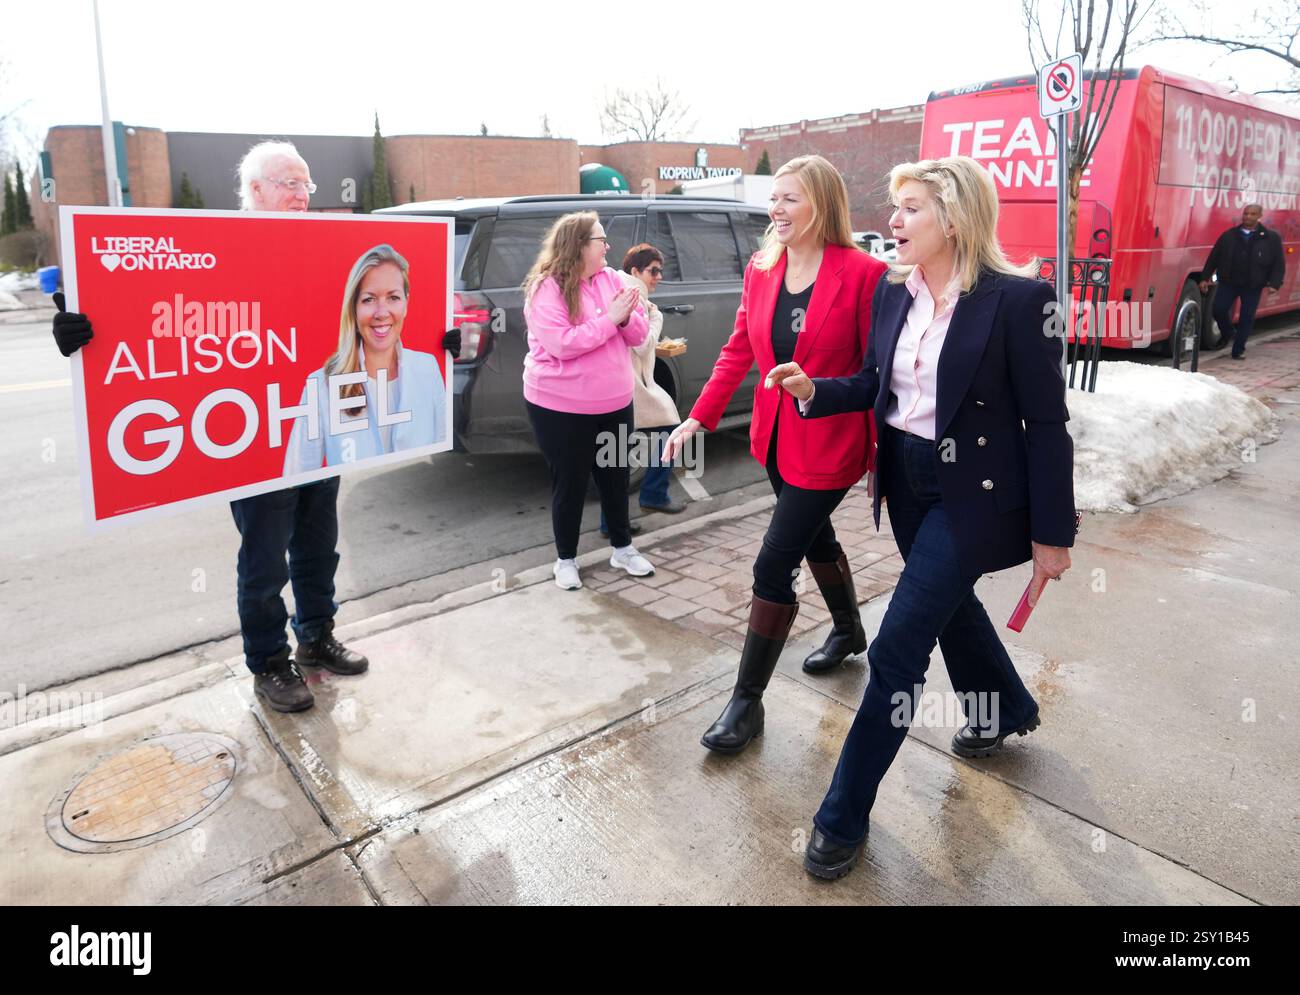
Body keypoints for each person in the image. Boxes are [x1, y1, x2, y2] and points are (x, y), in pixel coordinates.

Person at [52, 141, 458, 713]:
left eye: (306, 185)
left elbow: (376, 318)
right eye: (289, 183)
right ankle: (269, 660)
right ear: (256, 191)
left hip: (320, 427)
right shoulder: (217, 247)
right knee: (264, 558)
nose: (301, 195)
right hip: (257, 444)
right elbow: (162, 318)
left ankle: (316, 635)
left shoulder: (323, 251)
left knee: (319, 545)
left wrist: (437, 345)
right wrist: (82, 325)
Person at [767, 155, 1077, 880]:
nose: (894, 221)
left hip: (970, 494)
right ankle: (999, 708)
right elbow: (881, 383)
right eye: (895, 206)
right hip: (904, 482)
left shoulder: (1017, 300)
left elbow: (1047, 423)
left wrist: (1052, 535)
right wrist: (820, 389)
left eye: (910, 208)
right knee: (948, 605)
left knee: (898, 645)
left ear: (955, 217)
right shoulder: (894, 295)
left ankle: (841, 815)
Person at [662, 155, 888, 755]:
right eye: (775, 199)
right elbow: (739, 350)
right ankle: (848, 629)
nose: (776, 210)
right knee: (813, 539)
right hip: (775, 440)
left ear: (822, 205)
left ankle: (746, 703)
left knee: (772, 564)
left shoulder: (864, 274)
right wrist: (699, 416)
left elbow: (875, 371)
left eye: (790, 199)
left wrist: (841, 410)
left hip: (832, 442)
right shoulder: (762, 269)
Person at [522, 211, 656, 590]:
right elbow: (562, 344)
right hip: (559, 407)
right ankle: (565, 560)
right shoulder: (546, 288)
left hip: (614, 402)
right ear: (579, 246)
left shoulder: (614, 278)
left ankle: (623, 549)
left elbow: (640, 335)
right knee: (572, 482)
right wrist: (612, 319)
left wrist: (625, 319)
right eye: (600, 240)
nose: (608, 247)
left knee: (615, 479)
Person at [284, 243, 447, 472]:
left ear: (406, 303)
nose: (381, 312)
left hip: (418, 504)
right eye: (369, 299)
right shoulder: (321, 385)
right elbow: (297, 472)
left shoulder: (428, 368)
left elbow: (442, 457)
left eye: (393, 297)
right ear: (354, 308)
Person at [599, 243, 685, 538]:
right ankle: (650, 497)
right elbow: (640, 342)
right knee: (669, 431)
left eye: (660, 270)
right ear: (635, 271)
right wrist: (656, 320)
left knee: (618, 453)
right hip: (629, 386)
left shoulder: (624, 289)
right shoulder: (634, 295)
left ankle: (615, 519)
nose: (659, 276)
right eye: (653, 271)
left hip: (624, 382)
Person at [1198, 204, 1285, 360]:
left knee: (1247, 316)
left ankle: (1238, 350)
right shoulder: (1229, 235)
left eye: (1252, 214)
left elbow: (1278, 263)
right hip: (1229, 281)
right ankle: (1229, 333)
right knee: (1218, 309)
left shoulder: (1270, 238)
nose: (1248, 217)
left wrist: (1274, 283)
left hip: (1253, 285)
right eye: (1246, 213)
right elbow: (1214, 256)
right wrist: (1205, 277)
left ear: (1260, 216)